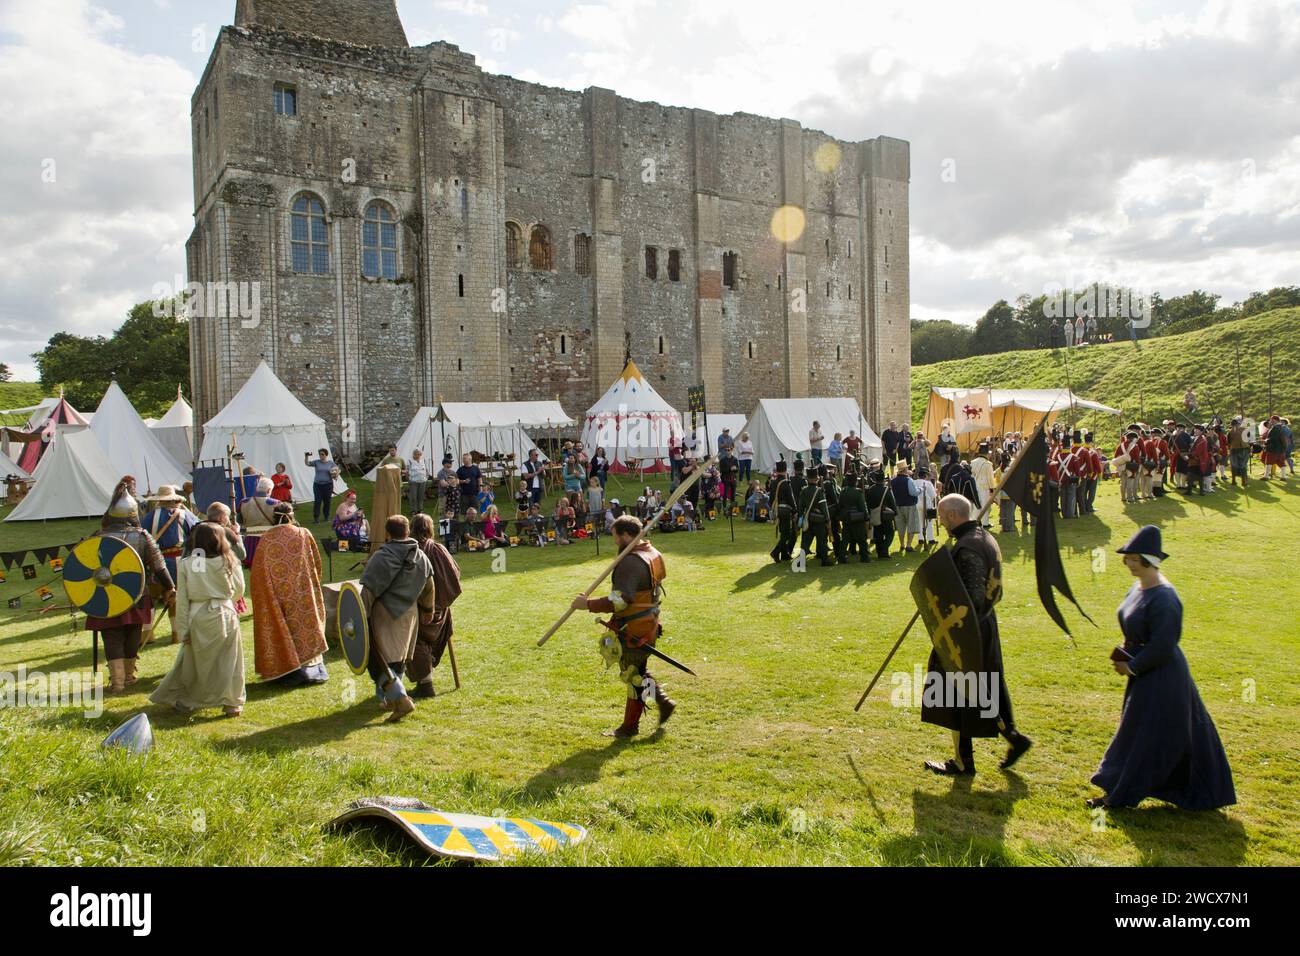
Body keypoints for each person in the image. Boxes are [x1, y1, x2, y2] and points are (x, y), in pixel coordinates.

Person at [1088, 526, 1236, 809]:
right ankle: (1129, 788)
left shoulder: (1165, 598)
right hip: (1145, 675)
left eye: (1132, 558)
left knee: (1149, 736)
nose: (1127, 563)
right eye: (1126, 558)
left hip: (1163, 677)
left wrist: (1133, 667)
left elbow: (1164, 645)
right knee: (1148, 732)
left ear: (1147, 560)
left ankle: (1121, 795)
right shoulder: (1138, 587)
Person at [923, 494, 1033, 776]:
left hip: (966, 630)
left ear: (951, 516)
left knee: (957, 692)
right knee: (984, 686)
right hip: (984, 625)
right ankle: (1012, 736)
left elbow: (969, 597)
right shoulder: (983, 537)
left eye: (942, 517)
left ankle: (962, 761)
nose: (941, 522)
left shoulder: (969, 546)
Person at [570, 515, 676, 738]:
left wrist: (588, 604)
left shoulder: (630, 562)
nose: (615, 542)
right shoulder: (651, 552)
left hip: (634, 626)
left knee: (633, 676)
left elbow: (621, 600)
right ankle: (662, 701)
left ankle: (630, 727)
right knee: (637, 672)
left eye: (617, 538)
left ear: (628, 535)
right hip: (648, 621)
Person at [150, 521, 246, 717]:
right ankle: (232, 703)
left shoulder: (191, 563)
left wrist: (183, 629)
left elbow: (183, 599)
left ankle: (190, 701)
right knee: (230, 659)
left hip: (199, 614)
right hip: (225, 612)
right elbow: (239, 590)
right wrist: (224, 599)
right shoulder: (229, 560)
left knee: (195, 662)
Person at [88, 490, 176, 693]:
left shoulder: (99, 536)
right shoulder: (142, 536)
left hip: (105, 596)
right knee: (132, 634)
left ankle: (117, 682)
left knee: (112, 636)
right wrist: (170, 586)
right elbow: (159, 565)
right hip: (136, 593)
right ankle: (128, 677)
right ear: (134, 514)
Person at [360, 514, 435, 723]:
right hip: (409, 614)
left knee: (378, 661)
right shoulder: (421, 557)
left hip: (384, 614)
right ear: (407, 532)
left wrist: (360, 617)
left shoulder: (381, 556)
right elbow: (429, 587)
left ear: (387, 533)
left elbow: (368, 591)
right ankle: (390, 700)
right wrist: (428, 609)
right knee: (398, 660)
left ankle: (400, 700)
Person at [251, 502, 329, 685]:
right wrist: (313, 582)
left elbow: (258, 572)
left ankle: (287, 673)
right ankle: (311, 671)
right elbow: (316, 562)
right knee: (305, 628)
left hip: (275, 595)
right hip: (303, 590)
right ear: (292, 515)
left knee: (281, 628)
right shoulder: (303, 534)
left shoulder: (266, 539)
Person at [409, 513, 462, 698]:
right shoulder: (436, 549)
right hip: (440, 611)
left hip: (424, 612)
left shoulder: (412, 551)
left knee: (416, 641)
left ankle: (425, 684)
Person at [144, 484, 200, 641]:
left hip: (155, 562)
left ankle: (147, 634)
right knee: (176, 596)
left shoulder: (150, 517)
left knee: (151, 598)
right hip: (178, 561)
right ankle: (176, 634)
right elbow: (198, 532)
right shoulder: (184, 515)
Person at [797, 466, 834, 566]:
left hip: (808, 519)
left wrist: (800, 518)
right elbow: (824, 507)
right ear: (817, 478)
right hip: (819, 520)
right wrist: (827, 519)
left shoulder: (804, 490)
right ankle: (824, 560)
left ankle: (801, 561)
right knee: (822, 541)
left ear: (807, 479)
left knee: (805, 542)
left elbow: (800, 507)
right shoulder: (819, 491)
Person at [836, 472, 870, 562]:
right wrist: (866, 518)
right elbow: (863, 507)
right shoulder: (858, 492)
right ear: (855, 481)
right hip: (858, 519)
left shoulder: (843, 492)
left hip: (846, 519)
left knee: (845, 540)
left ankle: (841, 557)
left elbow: (840, 505)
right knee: (862, 539)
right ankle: (864, 557)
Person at [767, 460, 797, 562]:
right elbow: (791, 498)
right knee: (786, 534)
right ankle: (775, 552)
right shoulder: (786, 483)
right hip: (785, 510)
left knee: (783, 532)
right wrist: (795, 510)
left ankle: (784, 555)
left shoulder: (773, 482)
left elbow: (771, 499)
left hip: (777, 510)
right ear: (785, 470)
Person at [864, 467, 897, 560]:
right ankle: (884, 550)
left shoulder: (870, 489)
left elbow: (868, 502)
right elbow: (892, 503)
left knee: (878, 535)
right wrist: (895, 512)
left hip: (874, 515)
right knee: (890, 534)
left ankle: (880, 553)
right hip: (886, 516)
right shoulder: (886, 490)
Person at [890, 463, 920, 553]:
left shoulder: (893, 480)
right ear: (904, 470)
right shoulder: (908, 480)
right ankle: (909, 545)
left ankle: (902, 544)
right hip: (909, 505)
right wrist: (921, 489)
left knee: (900, 527)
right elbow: (913, 493)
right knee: (911, 525)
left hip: (898, 506)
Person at [305, 448, 337, 523]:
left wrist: (335, 475)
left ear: (326, 455)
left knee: (327, 501)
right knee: (317, 501)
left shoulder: (330, 463)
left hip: (328, 485)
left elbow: (336, 471)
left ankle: (326, 517)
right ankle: (316, 518)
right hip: (317, 485)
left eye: (322, 454)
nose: (321, 456)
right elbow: (307, 463)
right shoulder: (316, 462)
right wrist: (306, 456)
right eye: (320, 454)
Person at [968, 442, 996, 526]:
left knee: (976, 504)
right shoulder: (988, 464)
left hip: (974, 486)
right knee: (985, 505)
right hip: (984, 487)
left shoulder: (973, 462)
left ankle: (974, 521)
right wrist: (992, 489)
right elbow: (990, 478)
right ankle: (985, 522)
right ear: (986, 453)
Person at [916, 465, 939, 548]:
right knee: (929, 522)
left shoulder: (914, 482)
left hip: (917, 505)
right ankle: (930, 539)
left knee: (919, 522)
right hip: (927, 505)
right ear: (925, 475)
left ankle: (920, 538)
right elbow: (933, 495)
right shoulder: (928, 483)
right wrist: (936, 492)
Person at [1228, 417, 1250, 487]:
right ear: (1238, 424)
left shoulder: (1230, 432)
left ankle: (1233, 481)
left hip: (1234, 450)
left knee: (1234, 466)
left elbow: (1228, 442)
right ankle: (1244, 481)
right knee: (1243, 465)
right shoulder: (1245, 430)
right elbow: (1248, 438)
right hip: (1244, 449)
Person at [407, 448, 428, 514]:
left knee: (421, 496)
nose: (417, 455)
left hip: (422, 480)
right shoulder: (409, 461)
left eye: (419, 454)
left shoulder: (423, 460)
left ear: (420, 454)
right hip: (413, 481)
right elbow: (407, 471)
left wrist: (426, 477)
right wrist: (409, 479)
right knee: (413, 496)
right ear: (413, 454)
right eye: (416, 454)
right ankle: (413, 510)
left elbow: (426, 469)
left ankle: (420, 509)